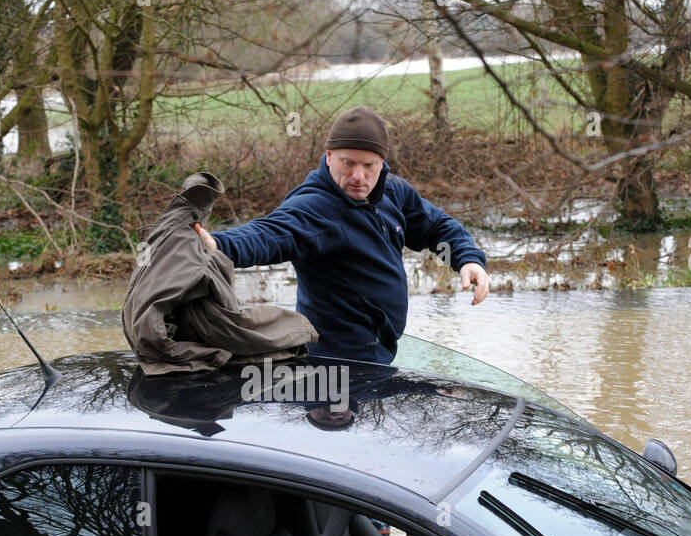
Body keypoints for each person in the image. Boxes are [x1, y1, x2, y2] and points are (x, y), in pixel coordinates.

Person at [193, 106, 490, 364]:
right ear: (329, 156)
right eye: (348, 163)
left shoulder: (392, 191)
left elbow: (435, 225)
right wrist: (219, 244)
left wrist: (467, 259)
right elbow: (271, 233)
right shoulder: (317, 205)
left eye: (368, 165)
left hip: (381, 348)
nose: (358, 176)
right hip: (339, 361)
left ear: (382, 164)